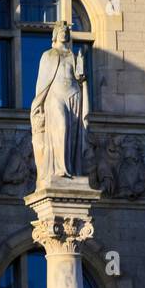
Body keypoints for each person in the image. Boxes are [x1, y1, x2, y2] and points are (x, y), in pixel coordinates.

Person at [30, 21, 88, 186]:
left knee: (72, 133)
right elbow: (42, 84)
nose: (64, 32)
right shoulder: (48, 55)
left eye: (66, 30)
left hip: (73, 95)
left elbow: (78, 78)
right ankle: (60, 168)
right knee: (61, 127)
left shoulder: (72, 56)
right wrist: (38, 108)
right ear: (55, 35)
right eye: (60, 30)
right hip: (55, 96)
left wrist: (81, 75)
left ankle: (71, 168)